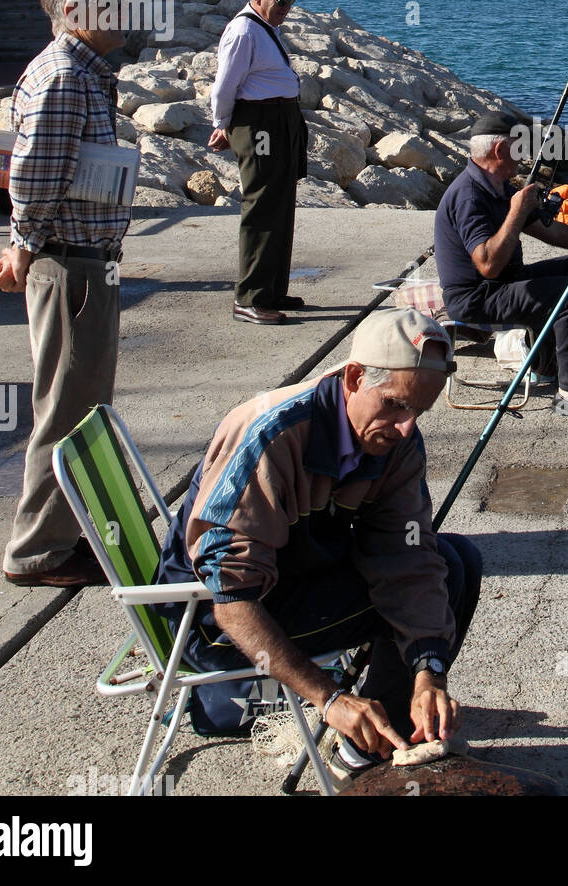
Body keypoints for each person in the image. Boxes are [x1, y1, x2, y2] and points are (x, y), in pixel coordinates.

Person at [155, 308, 479, 778]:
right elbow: (232, 603)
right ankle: (364, 748)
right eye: (394, 404)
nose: (408, 428)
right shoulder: (270, 435)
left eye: (418, 411)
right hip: (211, 619)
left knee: (453, 560)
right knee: (439, 578)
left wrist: (429, 669)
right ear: (352, 378)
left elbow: (407, 555)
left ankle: (397, 717)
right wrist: (330, 699)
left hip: (292, 576)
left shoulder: (396, 441)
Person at [0, 0, 130, 587]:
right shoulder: (67, 77)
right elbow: (36, 172)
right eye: (109, 3)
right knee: (67, 409)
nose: (123, 13)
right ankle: (37, 551)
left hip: (80, 262)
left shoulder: (79, 72)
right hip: (70, 266)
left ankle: (64, 532)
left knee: (77, 401)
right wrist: (22, 242)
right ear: (74, 12)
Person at [433, 114, 568, 425]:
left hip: (502, 284)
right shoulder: (469, 196)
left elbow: (553, 232)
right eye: (520, 147)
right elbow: (488, 265)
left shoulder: (498, 187)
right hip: (476, 297)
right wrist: (517, 213)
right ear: (499, 151)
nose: (526, 156)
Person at [208, 0, 308, 325]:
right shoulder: (244, 30)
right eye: (280, 1)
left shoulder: (267, 28)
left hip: (281, 120)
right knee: (262, 206)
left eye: (290, 1)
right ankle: (249, 297)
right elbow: (224, 87)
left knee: (281, 204)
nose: (286, 7)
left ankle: (272, 290)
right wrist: (222, 124)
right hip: (260, 124)